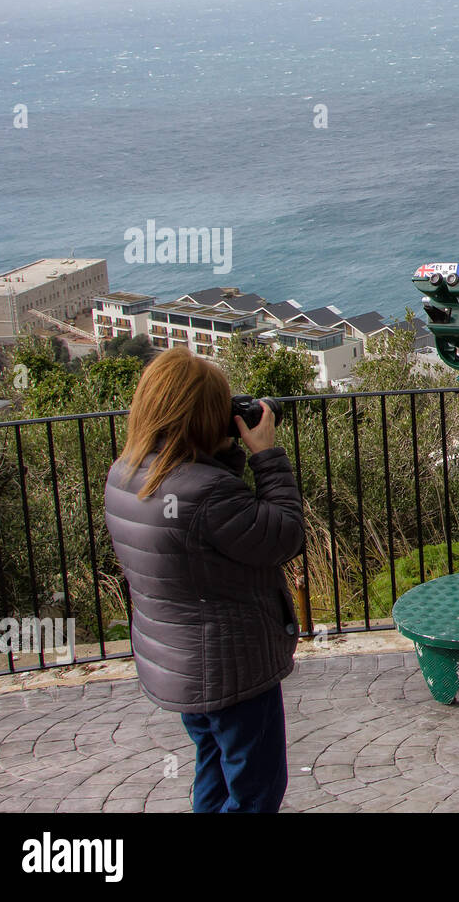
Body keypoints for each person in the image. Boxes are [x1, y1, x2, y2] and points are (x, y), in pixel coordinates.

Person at [104, 348, 304, 812]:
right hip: (231, 668)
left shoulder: (126, 474)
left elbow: (206, 538)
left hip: (180, 665)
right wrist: (267, 456)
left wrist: (219, 452)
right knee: (257, 792)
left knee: (213, 764)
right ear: (206, 418)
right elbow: (285, 535)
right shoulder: (206, 492)